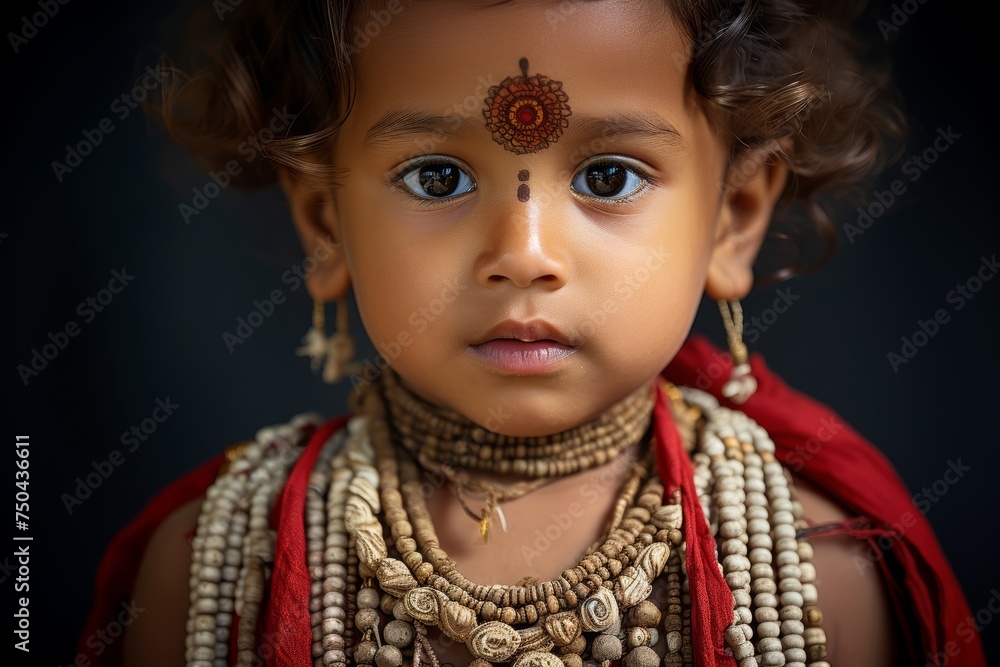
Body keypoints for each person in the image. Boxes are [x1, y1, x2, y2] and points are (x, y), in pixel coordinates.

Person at [77, 1, 986, 666]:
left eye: (609, 177)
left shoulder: (822, 573)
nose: (523, 254)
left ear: (733, 218)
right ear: (325, 223)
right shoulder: (212, 566)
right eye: (437, 178)